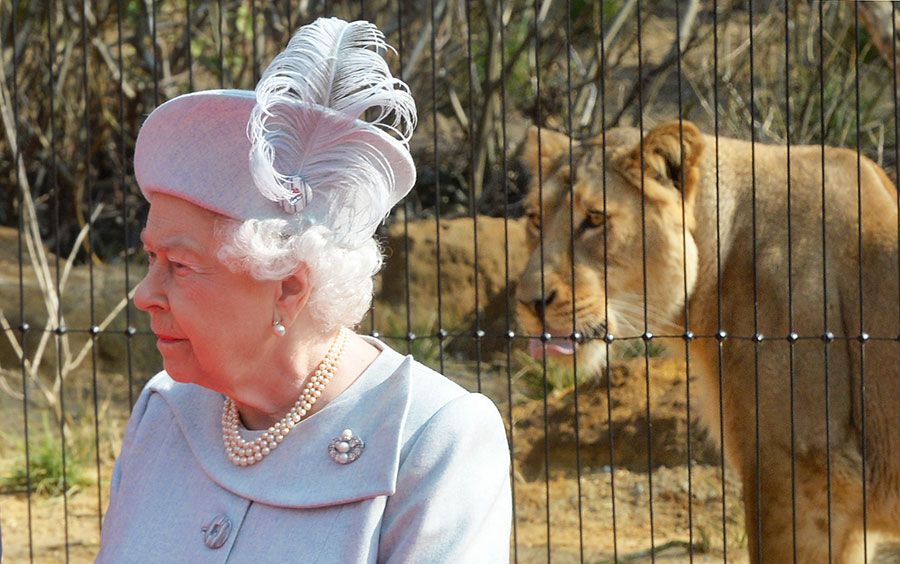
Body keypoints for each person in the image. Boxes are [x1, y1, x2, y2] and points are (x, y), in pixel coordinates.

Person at [97, 17, 511, 563]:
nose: (144, 294)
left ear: (288, 288)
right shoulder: (165, 411)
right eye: (151, 257)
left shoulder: (432, 439)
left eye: (179, 264)